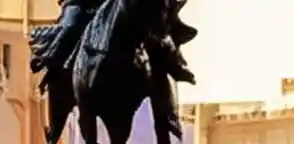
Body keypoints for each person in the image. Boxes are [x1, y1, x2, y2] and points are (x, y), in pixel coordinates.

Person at [30, 0, 196, 84]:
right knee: (71, 26)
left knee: (160, 14)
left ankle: (174, 62)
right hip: (80, 3)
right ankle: (51, 59)